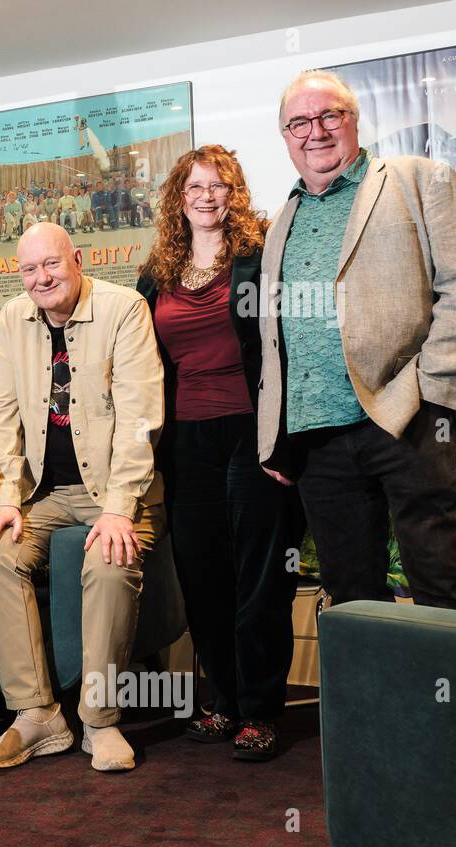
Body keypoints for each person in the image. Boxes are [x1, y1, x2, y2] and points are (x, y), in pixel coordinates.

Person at [260, 70, 456, 615]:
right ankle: (377, 705)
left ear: (353, 121)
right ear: (285, 135)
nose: (314, 131)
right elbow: (275, 339)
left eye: (328, 116)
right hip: (318, 439)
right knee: (352, 602)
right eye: (299, 121)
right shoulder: (282, 221)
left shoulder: (419, 179)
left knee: (443, 585)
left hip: (408, 418)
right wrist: (275, 430)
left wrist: (433, 390)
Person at [0, 222, 166, 773]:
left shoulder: (124, 309)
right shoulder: (13, 319)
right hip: (45, 493)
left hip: (112, 489)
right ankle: (37, 716)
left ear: (78, 259)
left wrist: (118, 508)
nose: (42, 277)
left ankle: (100, 722)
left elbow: (140, 418)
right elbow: (2, 413)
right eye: (30, 269)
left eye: (52, 264)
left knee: (110, 562)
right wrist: (8, 495)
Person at [136, 146, 304, 761]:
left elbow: (288, 350)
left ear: (235, 193)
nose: (206, 197)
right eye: (194, 187)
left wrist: (284, 441)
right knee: (203, 576)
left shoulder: (260, 259)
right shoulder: (156, 274)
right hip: (186, 442)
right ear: (178, 199)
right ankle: (223, 702)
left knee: (258, 577)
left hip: (252, 431)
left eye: (219, 186)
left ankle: (260, 709)